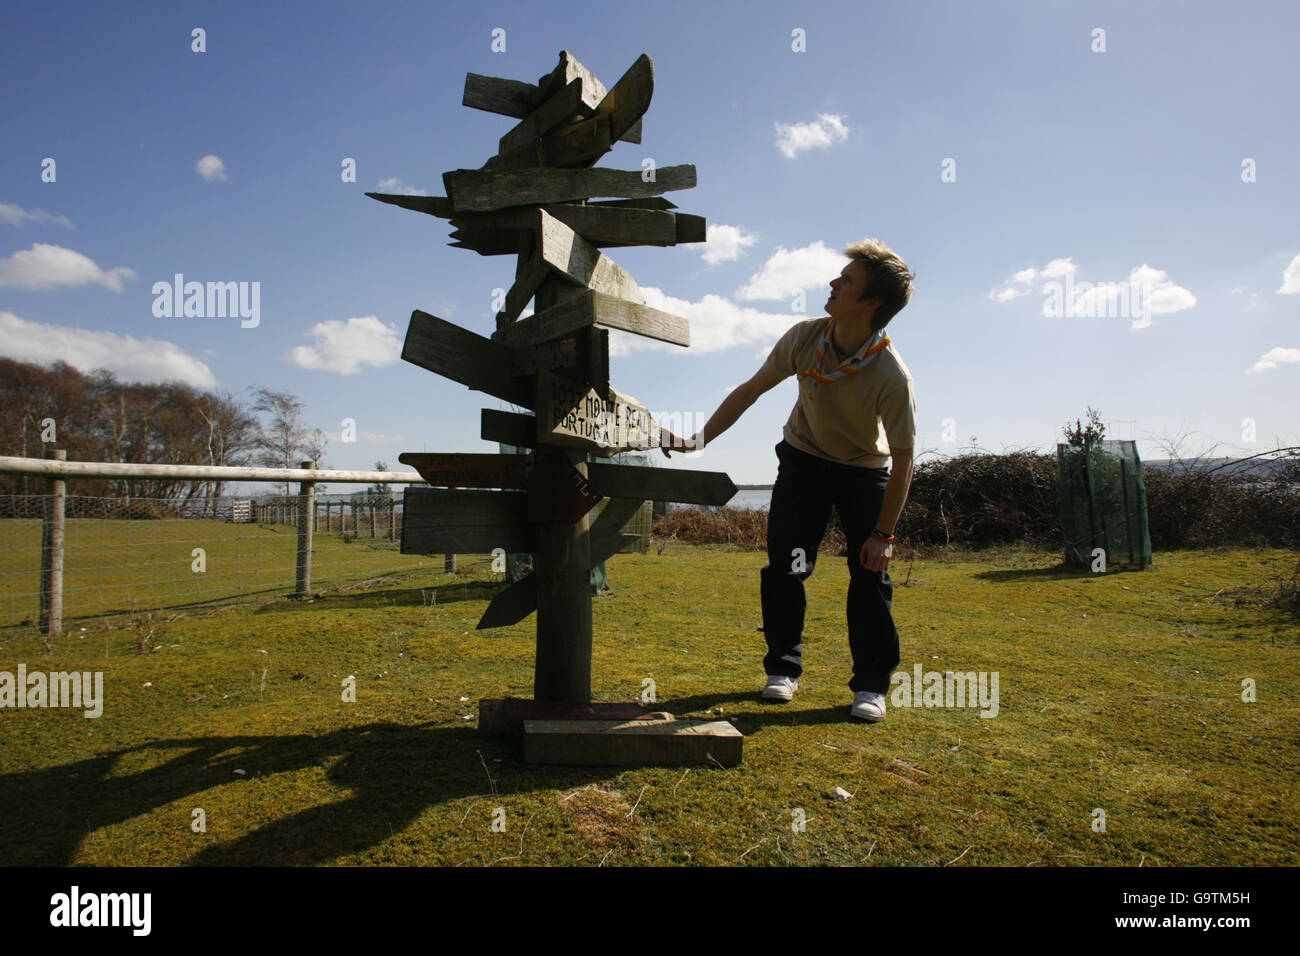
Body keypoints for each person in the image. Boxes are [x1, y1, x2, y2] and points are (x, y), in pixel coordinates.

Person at [663, 238, 916, 722]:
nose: (833, 283)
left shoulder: (890, 373)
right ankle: (783, 671)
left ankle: (871, 686)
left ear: (871, 303)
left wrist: (884, 535)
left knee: (869, 576)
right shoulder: (804, 337)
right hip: (803, 461)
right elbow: (751, 390)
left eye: (847, 282)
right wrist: (699, 440)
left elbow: (904, 459)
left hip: (865, 472)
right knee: (787, 568)